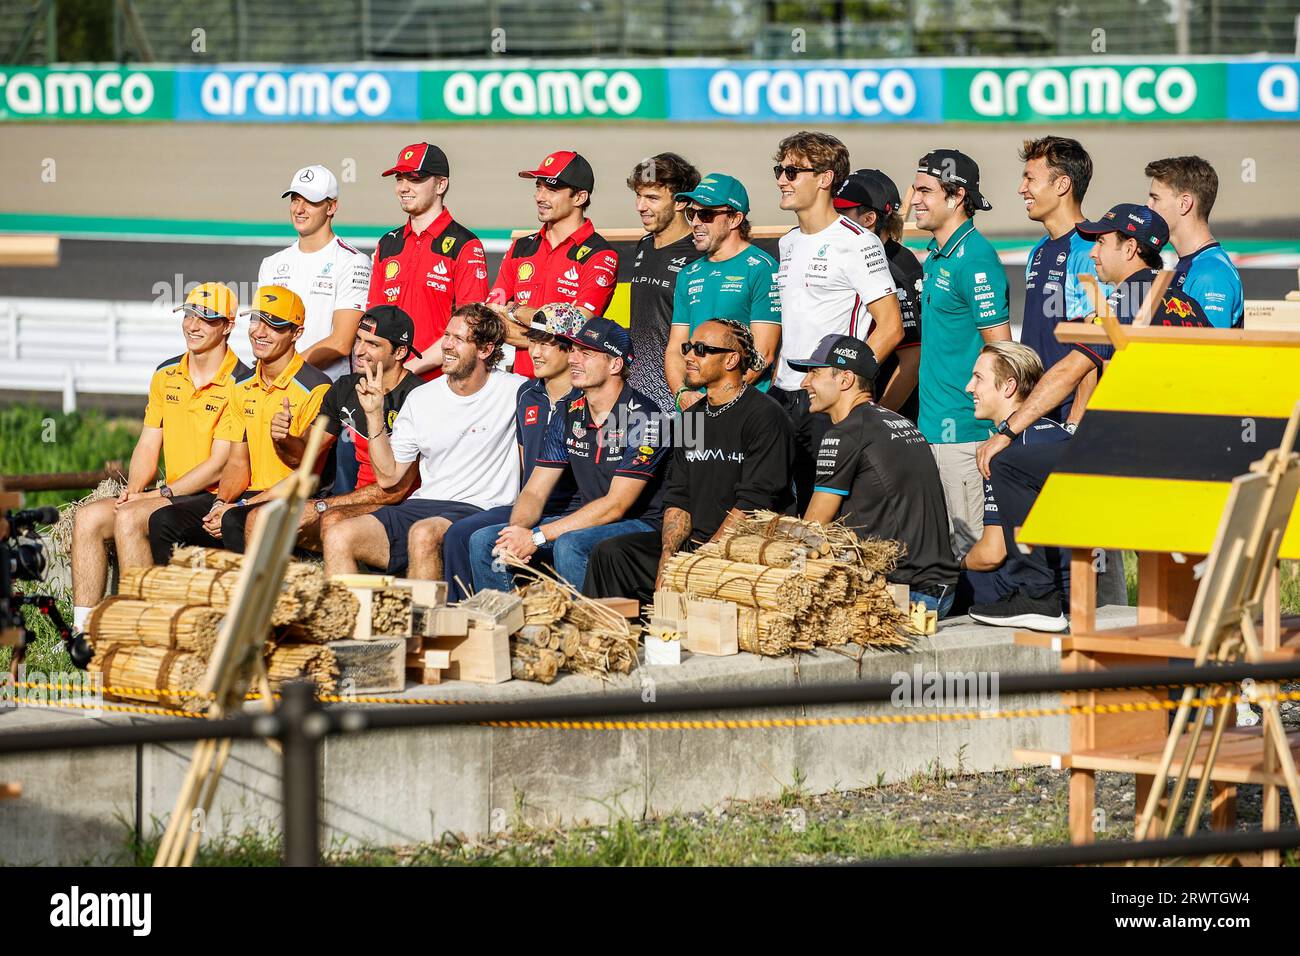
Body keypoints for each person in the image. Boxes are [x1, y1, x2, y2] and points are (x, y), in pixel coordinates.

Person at [970, 205, 1210, 631]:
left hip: (1145, 460)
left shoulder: (1133, 295)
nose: (1093, 253)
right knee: (1062, 453)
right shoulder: (1180, 297)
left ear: (1131, 247)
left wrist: (1007, 430)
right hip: (1194, 454)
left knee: (1010, 465)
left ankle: (1039, 597)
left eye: (1101, 242)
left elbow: (1069, 371)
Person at [72, 283, 248, 629]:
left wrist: (155, 495)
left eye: (207, 318)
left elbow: (219, 465)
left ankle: (143, 626)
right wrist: (134, 490)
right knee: (87, 518)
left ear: (228, 326)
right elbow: (148, 442)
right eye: (188, 314)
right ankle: (83, 634)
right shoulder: (166, 374)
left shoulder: (240, 382)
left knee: (130, 519)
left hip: (208, 497)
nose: (193, 325)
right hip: (167, 494)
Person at [584, 319, 795, 606]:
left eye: (701, 349)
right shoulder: (694, 416)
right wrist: (668, 560)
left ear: (731, 359)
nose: (689, 356)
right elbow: (679, 495)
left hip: (744, 548)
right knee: (610, 553)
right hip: (694, 546)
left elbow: (754, 502)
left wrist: (703, 559)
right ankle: (613, 641)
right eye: (687, 347)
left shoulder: (765, 415)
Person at [469, 317, 668, 594]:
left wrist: (536, 537)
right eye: (573, 350)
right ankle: (504, 629)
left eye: (586, 353)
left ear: (615, 364)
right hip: (589, 520)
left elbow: (616, 505)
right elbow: (534, 491)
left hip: (640, 526)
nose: (574, 359)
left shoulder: (646, 419)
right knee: (486, 541)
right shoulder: (568, 412)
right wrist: (516, 535)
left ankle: (587, 633)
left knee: (570, 544)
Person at [321, 304, 523, 578]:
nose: (447, 346)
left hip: (481, 509)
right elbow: (390, 478)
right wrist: (374, 415)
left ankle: (422, 620)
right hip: (422, 504)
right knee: (338, 534)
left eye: (459, 339)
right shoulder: (421, 397)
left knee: (423, 533)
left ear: (486, 350)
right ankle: (356, 619)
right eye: (447, 336)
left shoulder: (516, 390)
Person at [146, 287, 332, 561]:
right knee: (163, 521)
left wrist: (241, 505)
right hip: (247, 498)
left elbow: (306, 477)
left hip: (290, 501)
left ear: (297, 333)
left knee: (235, 522)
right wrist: (221, 502)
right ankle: (175, 602)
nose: (260, 332)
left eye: (275, 325)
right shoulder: (243, 385)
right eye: (256, 321)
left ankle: (249, 602)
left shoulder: (317, 388)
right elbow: (236, 463)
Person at [771, 131, 903, 512]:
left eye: (793, 172)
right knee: (785, 508)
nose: (782, 179)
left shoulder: (858, 242)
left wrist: (846, 382)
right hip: (786, 394)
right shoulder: (788, 241)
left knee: (831, 516)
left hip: (830, 399)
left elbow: (890, 326)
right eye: (779, 170)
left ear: (825, 178)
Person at [794, 335, 958, 616]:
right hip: (941, 589)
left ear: (845, 379)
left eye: (815, 373)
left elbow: (813, 528)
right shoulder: (899, 420)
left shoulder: (845, 433)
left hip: (907, 595)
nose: (804, 383)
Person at [441, 304, 584, 599]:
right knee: (458, 533)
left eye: (547, 343)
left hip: (572, 511)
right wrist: (518, 523)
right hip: (531, 506)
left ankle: (504, 620)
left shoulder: (588, 398)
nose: (535, 352)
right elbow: (525, 464)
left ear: (572, 350)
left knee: (484, 539)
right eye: (533, 340)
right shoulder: (526, 393)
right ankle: (464, 620)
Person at [911, 147, 1012, 560]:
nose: (914, 199)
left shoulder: (976, 258)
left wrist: (1002, 430)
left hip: (965, 435)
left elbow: (1002, 351)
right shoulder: (938, 254)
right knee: (944, 549)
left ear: (956, 197)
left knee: (970, 549)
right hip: (933, 428)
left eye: (925, 191)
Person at [262, 306, 424, 555]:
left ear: (400, 351)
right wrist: (283, 439)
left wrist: (321, 506)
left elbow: (397, 490)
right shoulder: (345, 387)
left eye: (372, 344)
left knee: (333, 520)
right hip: (348, 503)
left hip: (397, 507)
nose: (358, 350)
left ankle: (343, 589)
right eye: (358, 340)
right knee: (257, 519)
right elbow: (303, 457)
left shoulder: (419, 397)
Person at [487, 149, 620, 377]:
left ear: (580, 197)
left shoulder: (600, 255)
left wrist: (515, 311)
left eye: (552, 189)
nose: (540, 197)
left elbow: (572, 329)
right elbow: (491, 319)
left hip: (572, 388)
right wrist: (547, 330)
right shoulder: (521, 248)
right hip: (520, 385)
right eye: (538, 187)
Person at [958, 342, 1069, 610]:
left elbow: (992, 554)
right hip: (1080, 577)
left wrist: (955, 564)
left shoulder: (1003, 449)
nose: (969, 387)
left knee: (946, 583)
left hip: (1042, 589)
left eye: (978, 378)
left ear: (1009, 386)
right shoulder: (1057, 431)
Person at [367, 143, 490, 381]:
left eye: (414, 179)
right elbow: (374, 320)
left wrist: (408, 370)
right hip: (387, 381)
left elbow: (470, 329)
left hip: (439, 382)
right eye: (399, 179)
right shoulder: (388, 244)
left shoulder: (465, 245)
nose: (403, 188)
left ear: (441, 184)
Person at [665, 173, 781, 408]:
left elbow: (763, 353)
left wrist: (719, 398)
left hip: (741, 406)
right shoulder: (688, 273)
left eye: (706, 214)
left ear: (735, 219)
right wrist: (682, 394)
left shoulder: (762, 268)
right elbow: (676, 348)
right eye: (691, 213)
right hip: (695, 406)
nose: (696, 222)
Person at [1017, 136, 1105, 426]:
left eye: (1030, 179)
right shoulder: (1039, 250)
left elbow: (1094, 347)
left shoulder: (1089, 252)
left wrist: (1075, 422)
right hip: (1034, 411)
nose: (1022, 189)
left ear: (1062, 185)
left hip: (1065, 419)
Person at [257, 165, 371, 382]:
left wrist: (285, 371)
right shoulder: (272, 264)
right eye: (295, 199)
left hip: (327, 391)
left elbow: (341, 342)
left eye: (310, 201)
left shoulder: (353, 262)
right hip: (276, 387)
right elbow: (265, 331)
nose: (299, 209)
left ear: (331, 207)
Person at [831, 168, 922, 420]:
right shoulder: (840, 256)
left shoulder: (900, 267)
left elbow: (911, 361)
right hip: (840, 403)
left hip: (879, 411)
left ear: (869, 218)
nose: (833, 219)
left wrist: (876, 418)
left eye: (841, 212)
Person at [625, 153, 703, 414]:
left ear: (681, 203)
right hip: (637, 398)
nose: (640, 206)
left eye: (652, 198)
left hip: (683, 398)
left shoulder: (700, 254)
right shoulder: (644, 246)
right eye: (639, 195)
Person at [1145, 156, 1243, 329]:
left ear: (1184, 204)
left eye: (1155, 198)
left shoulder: (1210, 275)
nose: (1148, 205)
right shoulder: (1190, 265)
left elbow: (1210, 350)